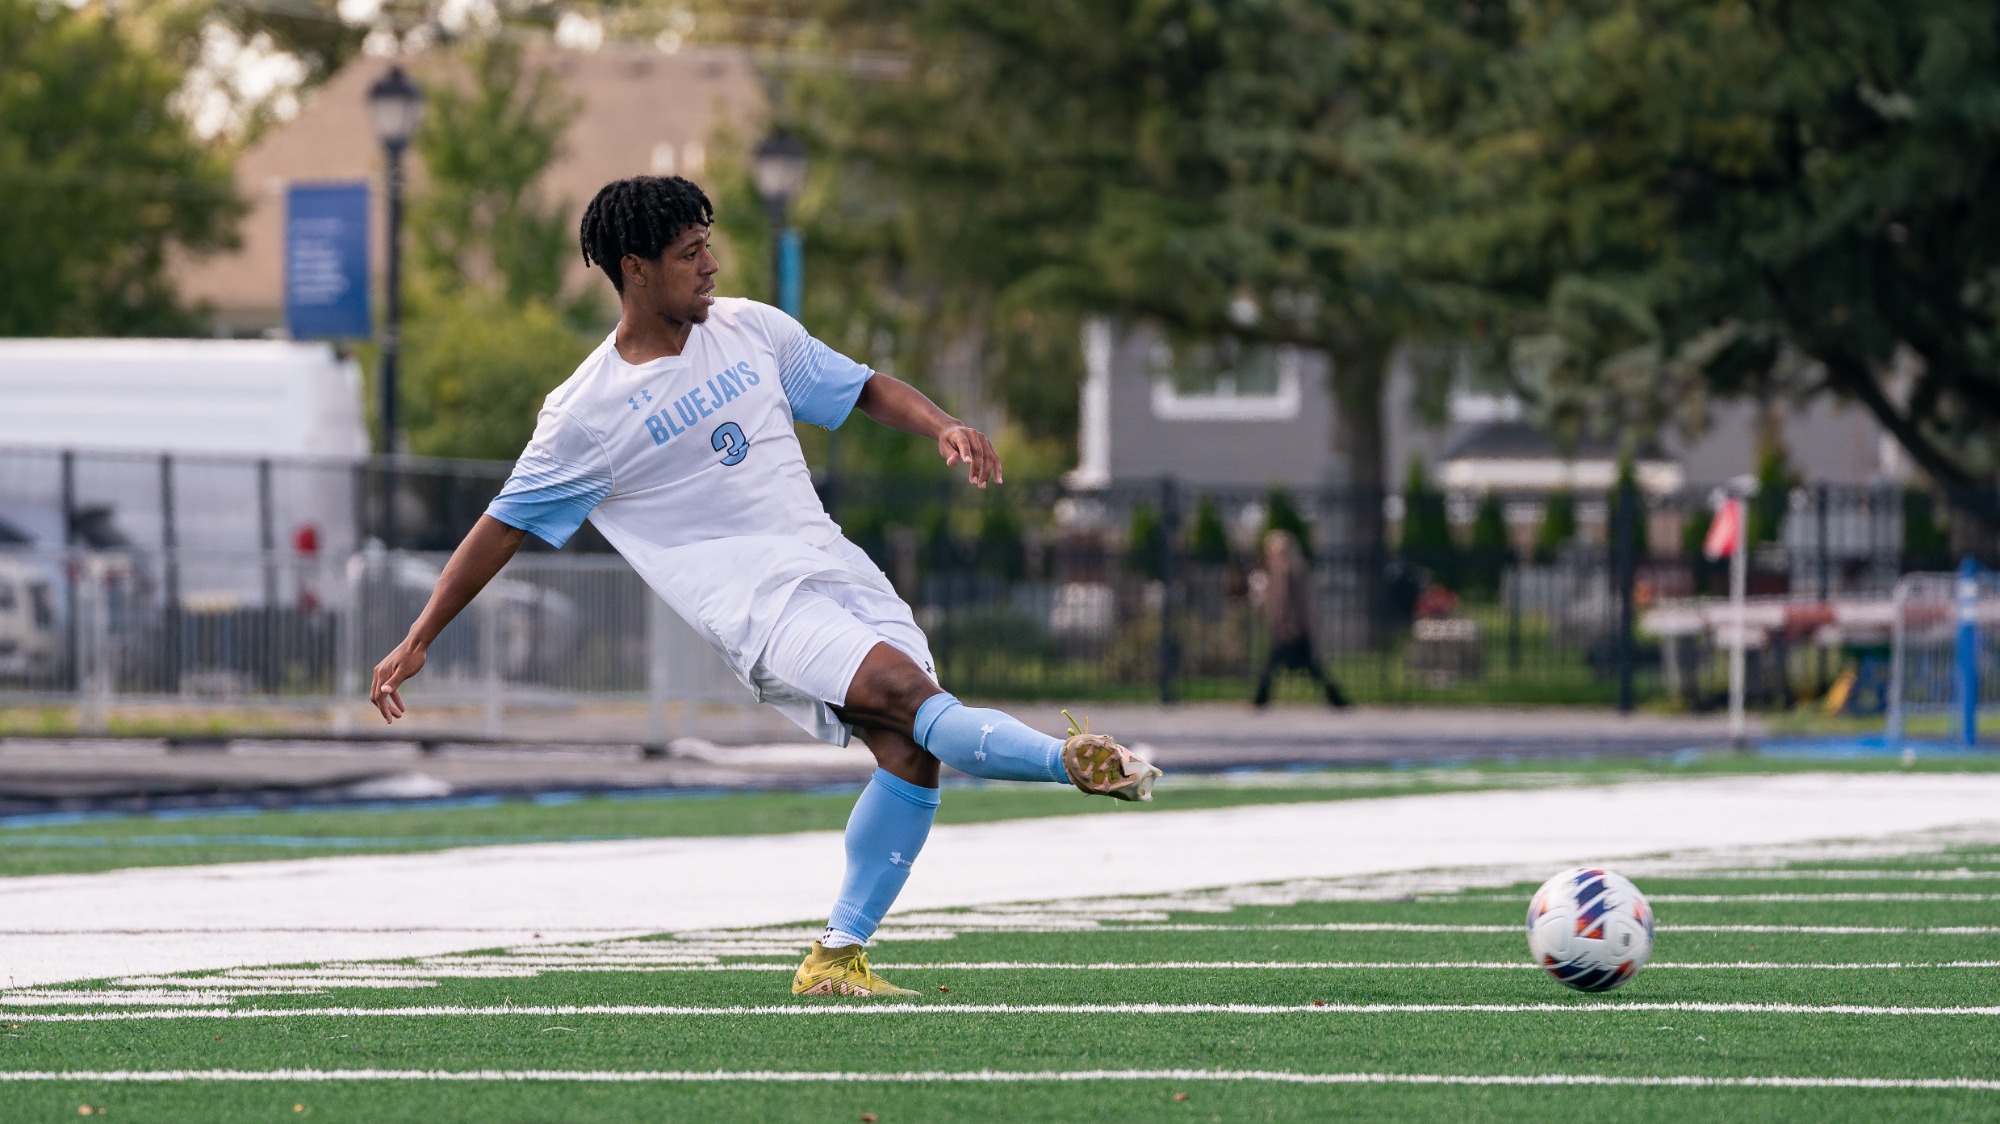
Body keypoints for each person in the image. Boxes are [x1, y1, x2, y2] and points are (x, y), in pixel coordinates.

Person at [367, 176, 1160, 999]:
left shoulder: (749, 327)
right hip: (759, 609)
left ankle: (836, 958)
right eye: (689, 253)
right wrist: (420, 635)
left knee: (912, 748)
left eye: (708, 245)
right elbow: (503, 525)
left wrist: (942, 425)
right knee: (909, 694)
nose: (710, 264)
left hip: (837, 570)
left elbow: (860, 389)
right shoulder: (584, 414)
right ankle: (1069, 760)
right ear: (634, 268)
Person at [1250, 529, 1350, 709]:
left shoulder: (1286, 573)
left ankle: (1261, 698)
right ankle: (1335, 697)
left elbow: (1286, 603)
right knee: (1307, 667)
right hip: (1293, 627)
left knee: (1303, 667)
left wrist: (1285, 623)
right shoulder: (1289, 571)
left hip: (1291, 629)